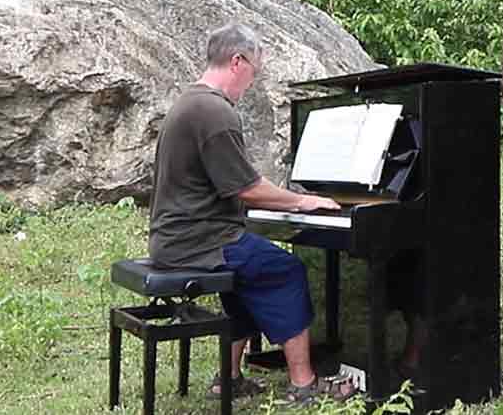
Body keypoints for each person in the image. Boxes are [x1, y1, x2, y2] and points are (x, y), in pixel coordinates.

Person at [148, 23, 357, 405]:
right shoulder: (214, 112)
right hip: (199, 242)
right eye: (254, 71)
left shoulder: (191, 102)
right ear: (237, 61)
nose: (253, 81)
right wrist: (302, 201)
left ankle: (226, 378)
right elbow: (246, 189)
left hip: (178, 239)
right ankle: (304, 383)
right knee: (286, 270)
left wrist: (284, 199)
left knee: (250, 272)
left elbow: (234, 188)